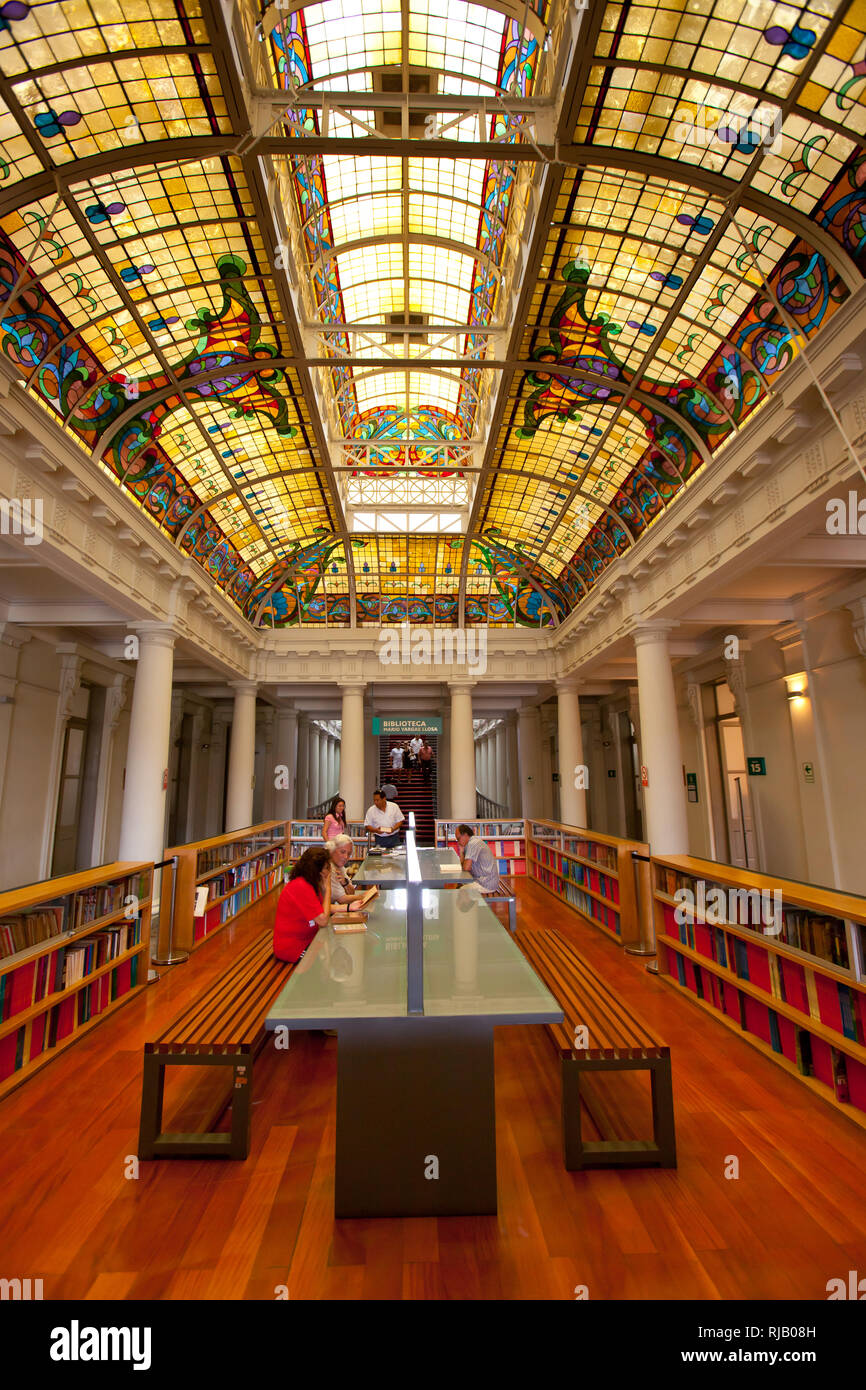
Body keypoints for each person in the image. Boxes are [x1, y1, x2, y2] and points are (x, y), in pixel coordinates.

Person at [273, 846, 333, 963]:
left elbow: (321, 909)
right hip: (293, 948)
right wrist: (328, 888)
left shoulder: (309, 884)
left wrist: (349, 907)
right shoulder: (301, 886)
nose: (329, 871)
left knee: (332, 950)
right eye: (327, 868)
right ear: (317, 871)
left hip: (308, 940)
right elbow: (323, 920)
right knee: (323, 961)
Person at [454, 824, 501, 895]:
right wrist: (461, 851)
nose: (458, 842)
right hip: (484, 880)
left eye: (458, 839)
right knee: (461, 884)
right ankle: (471, 905)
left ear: (465, 835)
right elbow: (463, 866)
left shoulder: (473, 843)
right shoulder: (470, 844)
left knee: (461, 891)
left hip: (486, 883)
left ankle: (474, 905)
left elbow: (466, 867)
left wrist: (461, 852)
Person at [328, 834, 365, 908]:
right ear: (332, 850)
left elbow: (351, 892)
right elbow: (342, 900)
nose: (346, 857)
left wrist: (345, 883)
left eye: (349, 854)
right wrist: (363, 896)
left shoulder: (339, 866)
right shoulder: (328, 867)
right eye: (342, 852)